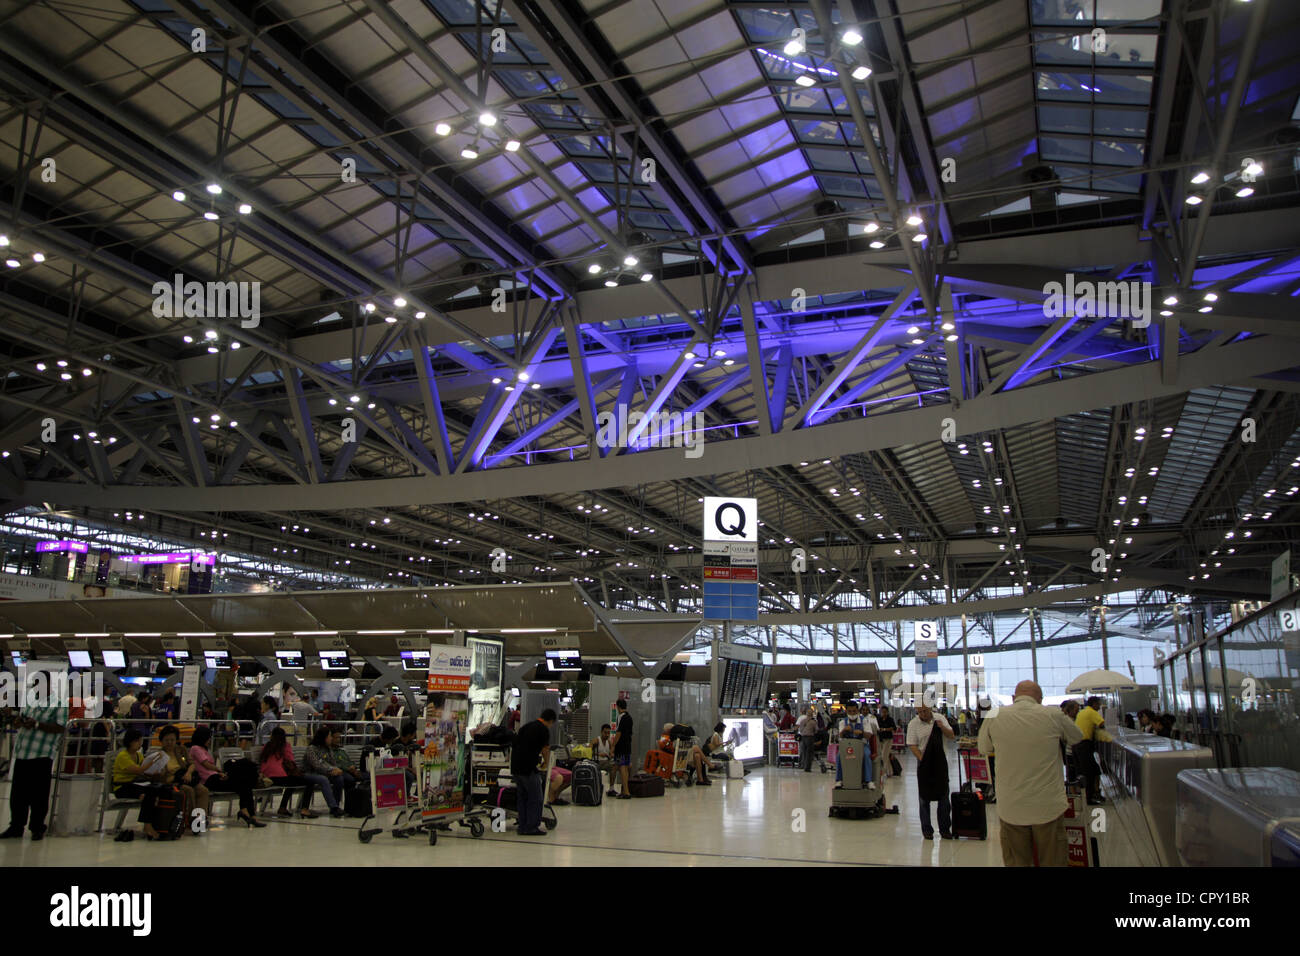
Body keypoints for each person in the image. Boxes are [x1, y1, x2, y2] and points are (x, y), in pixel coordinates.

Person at [978, 681, 1084, 866]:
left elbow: (984, 748)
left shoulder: (995, 715)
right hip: (1048, 806)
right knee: (1053, 861)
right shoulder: (1052, 714)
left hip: (1011, 807)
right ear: (1040, 699)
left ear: (1013, 698)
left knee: (1018, 861)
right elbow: (1077, 736)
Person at [1, 678, 68, 841]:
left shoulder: (59, 704)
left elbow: (60, 727)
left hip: (41, 755)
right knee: (17, 795)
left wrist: (37, 725)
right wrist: (18, 722)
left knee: (39, 795)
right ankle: (16, 826)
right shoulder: (31, 701)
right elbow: (22, 720)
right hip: (23, 753)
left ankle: (37, 827)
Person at [189, 725, 263, 827]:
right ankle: (246, 812)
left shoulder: (204, 749)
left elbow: (210, 767)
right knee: (243, 784)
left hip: (214, 777)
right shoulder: (195, 748)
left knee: (245, 785)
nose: (209, 740)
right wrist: (219, 770)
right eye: (208, 738)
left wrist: (220, 773)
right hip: (207, 780)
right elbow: (206, 764)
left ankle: (249, 813)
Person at [907, 703, 954, 840]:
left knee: (944, 797)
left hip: (940, 763)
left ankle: (945, 829)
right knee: (924, 799)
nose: (923, 714)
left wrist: (942, 727)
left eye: (925, 711)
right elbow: (912, 744)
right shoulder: (913, 724)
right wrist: (922, 759)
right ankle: (927, 830)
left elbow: (951, 735)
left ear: (930, 709)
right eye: (920, 712)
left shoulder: (940, 718)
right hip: (923, 763)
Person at [259, 727, 322, 818]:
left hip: (268, 777)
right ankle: (304, 809)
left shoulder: (266, 746)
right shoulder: (285, 746)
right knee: (309, 783)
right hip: (281, 777)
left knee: (292, 782)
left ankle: (283, 807)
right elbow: (290, 760)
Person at [512, 708, 554, 835]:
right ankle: (531, 827)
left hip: (516, 767)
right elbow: (545, 749)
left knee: (522, 797)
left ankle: (522, 826)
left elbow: (516, 744)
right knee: (536, 798)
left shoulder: (526, 726)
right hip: (528, 768)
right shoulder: (543, 730)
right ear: (551, 721)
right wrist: (547, 763)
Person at [304, 726, 351, 817]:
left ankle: (336, 806)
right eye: (329, 736)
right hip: (309, 773)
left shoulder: (328, 749)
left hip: (324, 773)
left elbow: (333, 763)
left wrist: (335, 769)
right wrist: (331, 770)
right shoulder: (312, 749)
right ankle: (333, 807)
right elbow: (316, 765)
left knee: (339, 779)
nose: (331, 738)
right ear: (323, 737)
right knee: (323, 779)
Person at [1073, 696, 1112, 806]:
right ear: (1094, 704)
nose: (1099, 706)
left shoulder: (1083, 712)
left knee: (1094, 770)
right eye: (1098, 704)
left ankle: (1094, 793)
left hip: (1077, 745)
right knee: (1089, 773)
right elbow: (1102, 725)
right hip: (1084, 745)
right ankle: (1089, 798)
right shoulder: (1092, 712)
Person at [834, 700, 876, 790]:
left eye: (854, 711)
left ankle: (868, 780)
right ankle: (839, 780)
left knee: (866, 755)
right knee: (839, 756)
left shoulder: (864, 721)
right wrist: (844, 730)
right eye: (849, 711)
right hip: (847, 746)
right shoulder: (842, 722)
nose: (852, 713)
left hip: (862, 745)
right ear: (846, 711)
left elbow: (869, 735)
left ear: (857, 711)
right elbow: (840, 737)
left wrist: (862, 733)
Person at [608, 698, 633, 799]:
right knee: (626, 767)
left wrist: (613, 746)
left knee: (622, 767)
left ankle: (626, 792)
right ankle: (625, 790)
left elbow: (618, 733)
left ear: (618, 707)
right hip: (627, 746)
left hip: (621, 747)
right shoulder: (630, 717)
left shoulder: (621, 717)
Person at [590, 724, 617, 792]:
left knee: (615, 766)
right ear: (601, 732)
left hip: (606, 762)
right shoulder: (596, 740)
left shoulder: (609, 742)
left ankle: (611, 788)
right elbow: (588, 752)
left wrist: (611, 755)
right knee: (613, 766)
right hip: (597, 762)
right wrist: (598, 754)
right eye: (605, 732)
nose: (607, 735)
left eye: (608, 733)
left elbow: (611, 753)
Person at [797, 705, 819, 772]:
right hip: (810, 738)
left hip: (803, 737)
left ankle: (803, 765)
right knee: (809, 753)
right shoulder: (813, 722)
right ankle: (807, 767)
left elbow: (800, 729)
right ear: (812, 714)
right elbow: (816, 730)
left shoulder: (803, 721)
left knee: (804, 752)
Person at [878, 705, 898, 776]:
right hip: (881, 739)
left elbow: (894, 728)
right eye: (882, 712)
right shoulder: (879, 719)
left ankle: (883, 772)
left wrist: (884, 729)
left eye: (885, 712)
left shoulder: (890, 719)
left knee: (884, 755)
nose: (884, 713)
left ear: (887, 712)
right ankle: (890, 772)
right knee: (885, 756)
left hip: (888, 739)